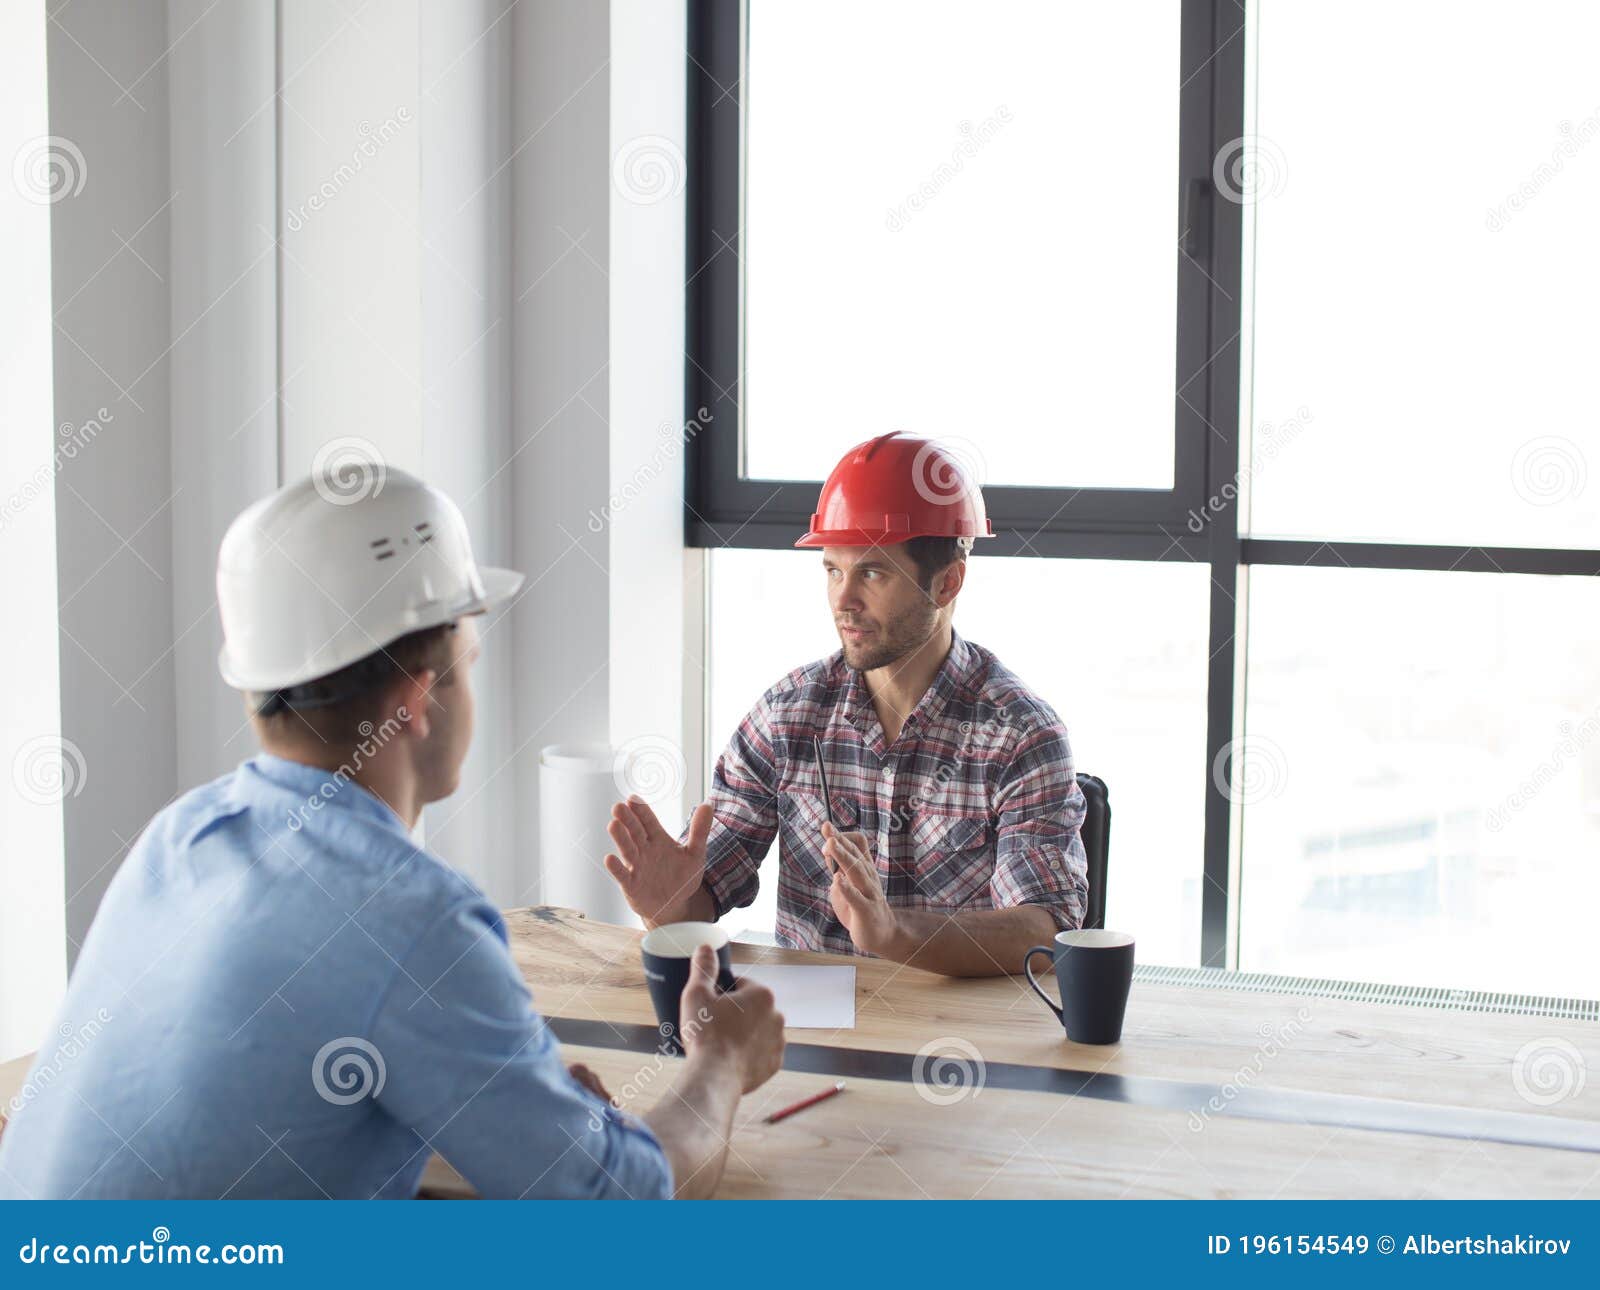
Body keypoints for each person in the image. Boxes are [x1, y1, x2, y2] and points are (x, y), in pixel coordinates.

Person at [0, 468, 783, 1200]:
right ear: (417, 700)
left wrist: (530, 1109)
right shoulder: (410, 920)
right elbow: (617, 1210)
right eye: (467, 662)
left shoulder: (181, 837)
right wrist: (721, 1059)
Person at [604, 432, 1090, 978]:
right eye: (833, 570)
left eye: (872, 573)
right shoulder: (788, 715)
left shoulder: (1020, 734)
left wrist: (891, 931)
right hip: (809, 1040)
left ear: (948, 582)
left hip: (958, 1041)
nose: (843, 600)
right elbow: (701, 899)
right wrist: (667, 906)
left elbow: (1046, 930)